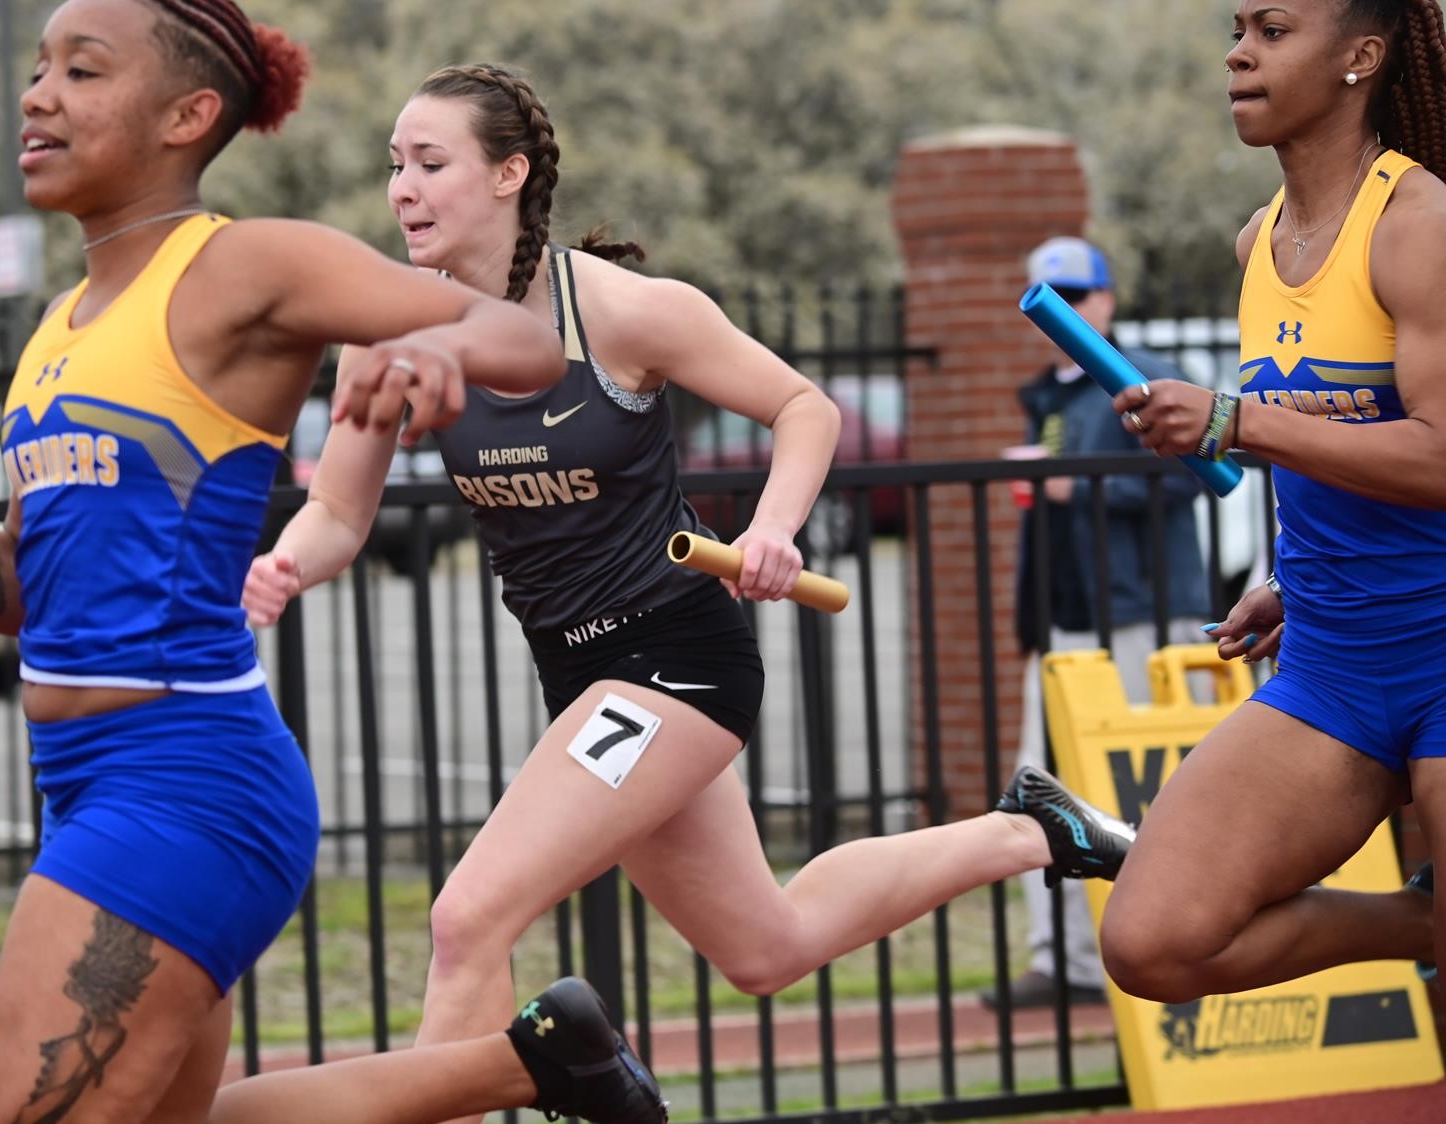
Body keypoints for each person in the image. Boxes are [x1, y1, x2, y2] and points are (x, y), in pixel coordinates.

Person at [0, 4, 668, 1121]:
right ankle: (534, 1061)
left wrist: (431, 343)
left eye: (81, 69)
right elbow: (23, 586)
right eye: (39, 66)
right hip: (83, 783)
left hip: (183, 783)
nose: (36, 93)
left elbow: (527, 343)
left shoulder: (244, 262)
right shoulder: (57, 329)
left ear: (187, 113)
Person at [243, 62, 1137, 1122]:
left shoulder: (621, 311)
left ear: (507, 175)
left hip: (673, 656)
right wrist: (289, 560)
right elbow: (339, 511)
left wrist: (769, 527)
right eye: (393, 164)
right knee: (767, 945)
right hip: (580, 675)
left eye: (429, 162)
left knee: (468, 915)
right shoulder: (388, 337)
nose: (400, 187)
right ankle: (1031, 830)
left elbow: (802, 407)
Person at [1100, 0, 1446, 1005]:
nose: (1236, 52)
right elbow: (1339, 443)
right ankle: (1420, 920)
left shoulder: (1419, 225)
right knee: (1151, 938)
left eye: (1272, 30)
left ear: (1360, 57)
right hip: (1336, 664)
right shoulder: (1259, 240)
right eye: (1236, 26)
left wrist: (1234, 423)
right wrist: (1286, 577)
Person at [990, 237, 1213, 1011]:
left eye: (1077, 297)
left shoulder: (1138, 375)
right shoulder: (1046, 395)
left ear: (1106, 302)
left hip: (1139, 614)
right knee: (1041, 785)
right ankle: (1064, 962)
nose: (1063, 315)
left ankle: (1175, 956)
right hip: (1063, 622)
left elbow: (1194, 477)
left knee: (1155, 786)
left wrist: (1070, 490)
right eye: (1047, 300)